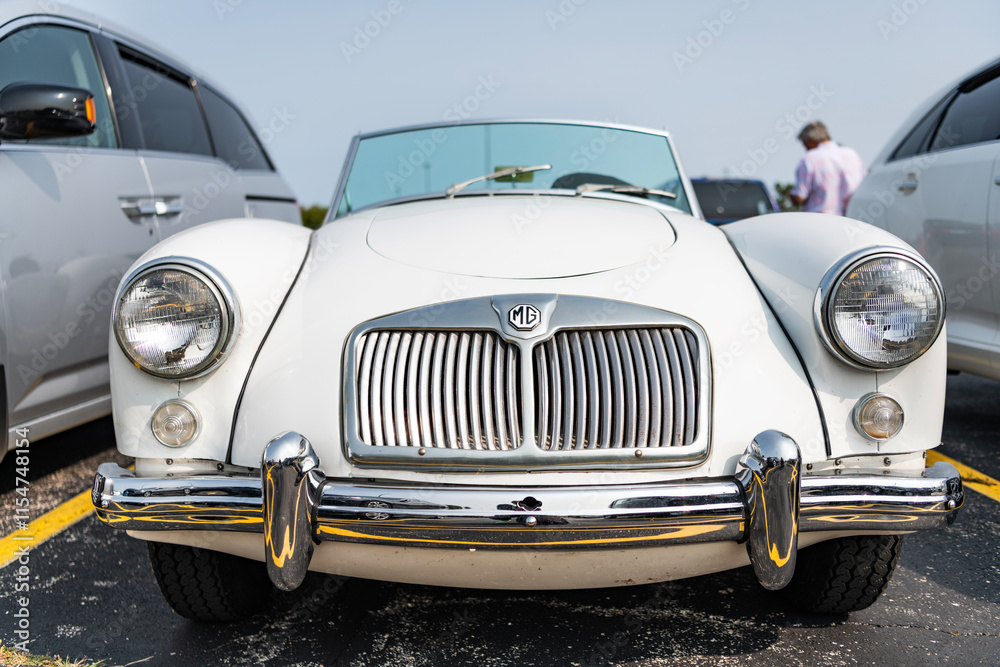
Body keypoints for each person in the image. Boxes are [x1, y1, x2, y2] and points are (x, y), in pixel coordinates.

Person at [789, 121, 864, 215]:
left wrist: (790, 195)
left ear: (810, 140)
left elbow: (800, 197)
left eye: (805, 144)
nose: (805, 148)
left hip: (819, 219)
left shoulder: (809, 159)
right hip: (850, 217)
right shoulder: (851, 154)